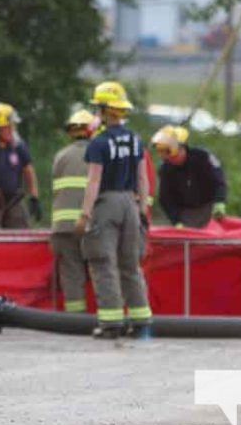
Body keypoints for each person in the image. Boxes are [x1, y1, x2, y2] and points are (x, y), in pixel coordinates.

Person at [76, 81, 152, 339]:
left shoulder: (99, 143)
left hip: (107, 204)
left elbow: (93, 182)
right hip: (130, 205)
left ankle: (111, 322)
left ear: (106, 110)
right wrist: (142, 209)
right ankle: (141, 321)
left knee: (103, 262)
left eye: (98, 108)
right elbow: (143, 179)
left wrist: (85, 215)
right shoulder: (135, 140)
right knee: (130, 264)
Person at [50, 109, 95, 313]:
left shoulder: (61, 156)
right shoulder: (99, 154)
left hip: (63, 227)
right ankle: (108, 315)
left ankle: (75, 318)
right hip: (91, 225)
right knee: (101, 270)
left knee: (71, 274)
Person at [151, 125, 227, 228]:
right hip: (186, 213)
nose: (170, 159)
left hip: (209, 207)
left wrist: (219, 201)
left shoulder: (202, 157)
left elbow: (219, 180)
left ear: (182, 148)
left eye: (172, 154)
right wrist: (176, 221)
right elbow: (165, 199)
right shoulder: (166, 169)